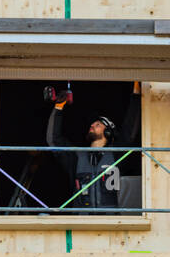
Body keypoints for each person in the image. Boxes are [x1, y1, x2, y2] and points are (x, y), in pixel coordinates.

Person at [45, 81, 142, 211]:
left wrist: (136, 91)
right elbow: (54, 140)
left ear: (108, 132)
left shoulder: (116, 154)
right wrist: (58, 107)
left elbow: (130, 130)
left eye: (98, 125)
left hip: (111, 222)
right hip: (82, 222)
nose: (92, 125)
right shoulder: (77, 156)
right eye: (92, 124)